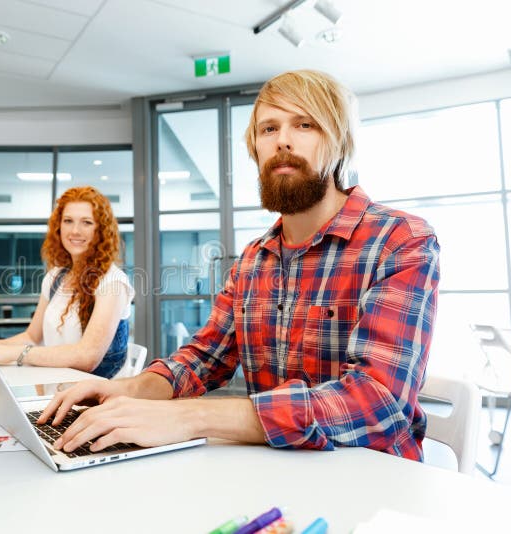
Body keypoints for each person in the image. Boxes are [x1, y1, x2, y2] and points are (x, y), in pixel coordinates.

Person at [38, 69, 441, 461]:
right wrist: (131, 389)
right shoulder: (253, 260)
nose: (282, 140)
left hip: (372, 477)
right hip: (275, 468)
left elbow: (377, 401)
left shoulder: (400, 241)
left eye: (304, 125)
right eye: (268, 129)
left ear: (339, 143)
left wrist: (190, 418)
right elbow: (205, 357)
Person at [0, 186, 134, 379]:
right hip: (56, 387)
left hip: (97, 394)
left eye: (87, 222)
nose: (75, 231)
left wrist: (17, 353)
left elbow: (88, 357)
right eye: (68, 221)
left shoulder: (113, 282)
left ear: (101, 231)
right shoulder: (55, 277)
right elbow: (32, 337)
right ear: (59, 226)